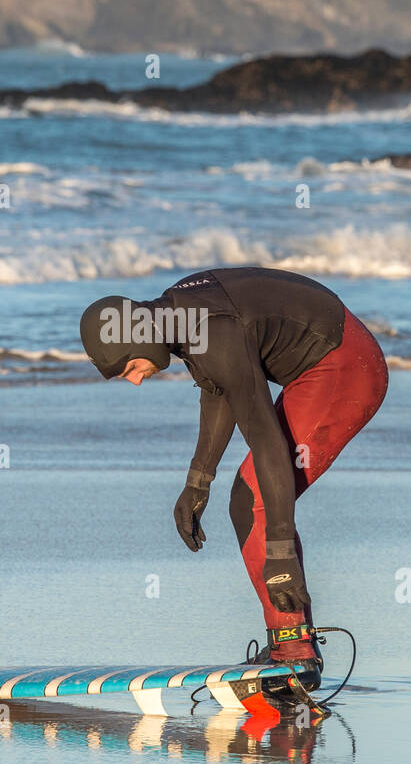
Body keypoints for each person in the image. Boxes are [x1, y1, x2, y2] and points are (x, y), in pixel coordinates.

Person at [79, 267, 389, 690]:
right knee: (247, 500)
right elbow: (221, 389)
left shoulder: (213, 330)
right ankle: (292, 642)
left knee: (253, 499)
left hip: (345, 368)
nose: (134, 379)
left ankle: (293, 652)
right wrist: (197, 482)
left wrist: (280, 552)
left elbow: (267, 442)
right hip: (324, 362)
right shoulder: (181, 317)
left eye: (129, 367)